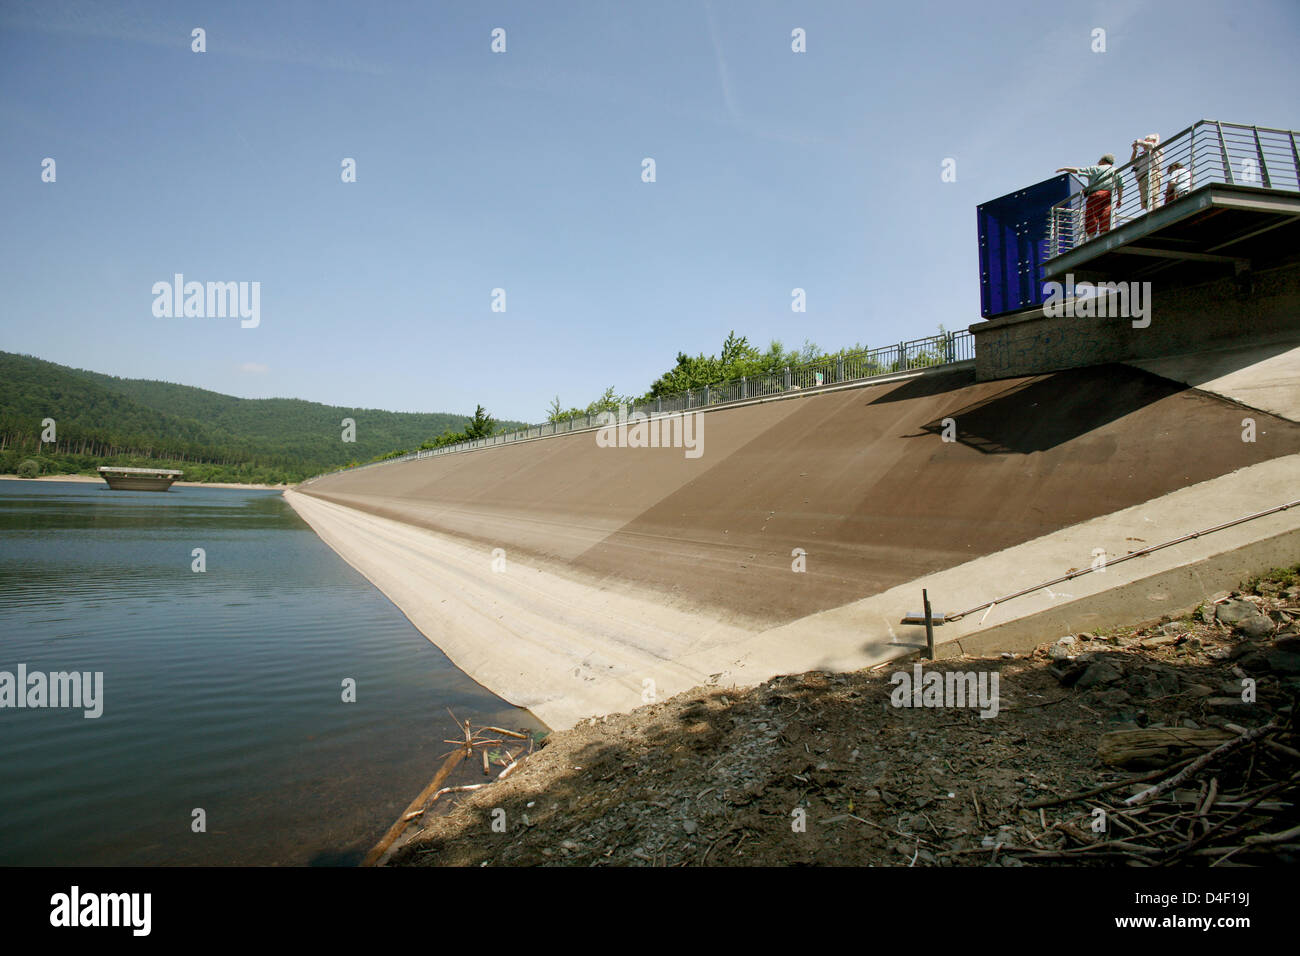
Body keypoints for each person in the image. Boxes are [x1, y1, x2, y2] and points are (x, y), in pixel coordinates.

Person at [1057, 154, 1124, 238]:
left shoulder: (1095, 168)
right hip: (1108, 195)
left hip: (1094, 195)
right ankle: (1104, 234)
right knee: (1106, 214)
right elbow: (1120, 186)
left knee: (1092, 215)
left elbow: (1078, 170)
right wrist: (1119, 199)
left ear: (1103, 161)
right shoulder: (1117, 170)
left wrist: (1065, 168)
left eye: (1099, 161)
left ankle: (1091, 236)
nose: (1098, 162)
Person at [1130, 133, 1163, 210]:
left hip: (1151, 175)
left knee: (1153, 198)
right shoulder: (1143, 153)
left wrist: (1139, 142)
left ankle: (1160, 215)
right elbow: (1133, 162)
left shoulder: (1156, 147)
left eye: (1147, 140)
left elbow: (1147, 144)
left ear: (1153, 141)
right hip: (1143, 178)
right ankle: (1153, 218)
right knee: (1146, 202)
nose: (1145, 142)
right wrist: (1135, 151)